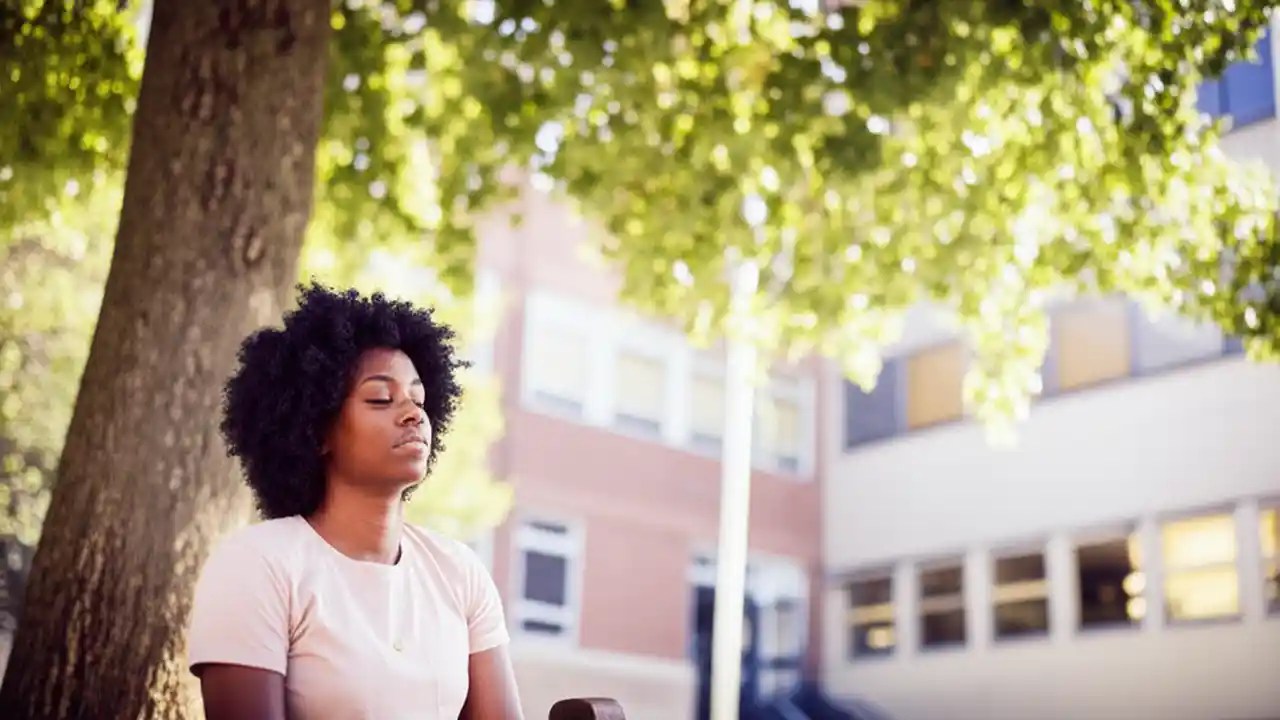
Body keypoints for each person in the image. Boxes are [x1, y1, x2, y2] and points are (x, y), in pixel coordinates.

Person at [186, 283, 523, 720]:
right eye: (381, 398)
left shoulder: (460, 573)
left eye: (418, 400)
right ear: (317, 428)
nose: (412, 413)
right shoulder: (257, 565)